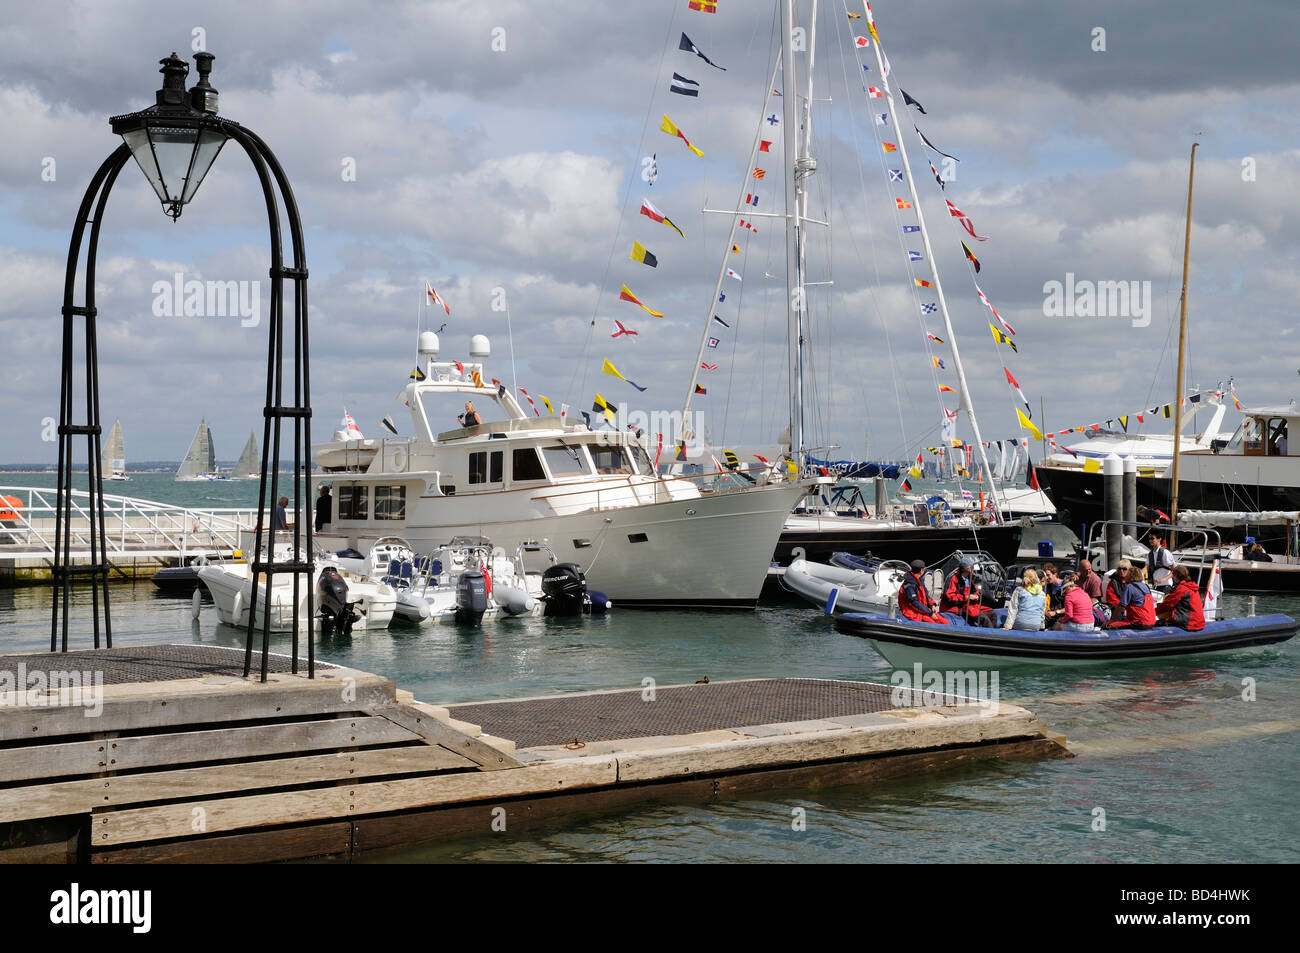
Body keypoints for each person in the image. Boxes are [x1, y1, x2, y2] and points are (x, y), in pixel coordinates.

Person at [940, 555, 992, 623]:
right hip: (956, 607)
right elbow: (950, 598)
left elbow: (976, 591)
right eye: (972, 566)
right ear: (966, 568)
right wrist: (967, 597)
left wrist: (976, 595)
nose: (973, 568)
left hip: (968, 605)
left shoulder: (971, 578)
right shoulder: (953, 578)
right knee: (983, 618)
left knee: (992, 613)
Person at [898, 559, 949, 624]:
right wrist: (930, 613)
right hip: (913, 613)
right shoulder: (909, 585)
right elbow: (914, 603)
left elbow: (926, 595)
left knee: (944, 622)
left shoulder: (919, 580)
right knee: (933, 623)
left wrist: (932, 604)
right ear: (921, 570)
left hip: (923, 610)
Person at [1156, 564, 1206, 631]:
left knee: (1158, 624)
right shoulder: (1192, 587)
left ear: (1176, 576)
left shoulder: (1181, 589)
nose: (1173, 577)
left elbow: (1167, 605)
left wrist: (1152, 612)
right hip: (1199, 622)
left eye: (1173, 575)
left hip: (1189, 623)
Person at [1107, 563, 1157, 629]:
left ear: (1130, 576)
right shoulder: (1145, 586)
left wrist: (1112, 620)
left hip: (1139, 622)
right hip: (1152, 621)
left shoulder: (1129, 587)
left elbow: (1121, 606)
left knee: (1109, 626)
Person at [1041, 563, 1065, 627]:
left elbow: (1070, 607)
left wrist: (1056, 612)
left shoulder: (1065, 586)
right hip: (1051, 614)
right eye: (1045, 576)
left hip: (1063, 615)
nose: (1047, 578)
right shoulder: (1048, 587)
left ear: (1055, 574)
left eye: (1048, 575)